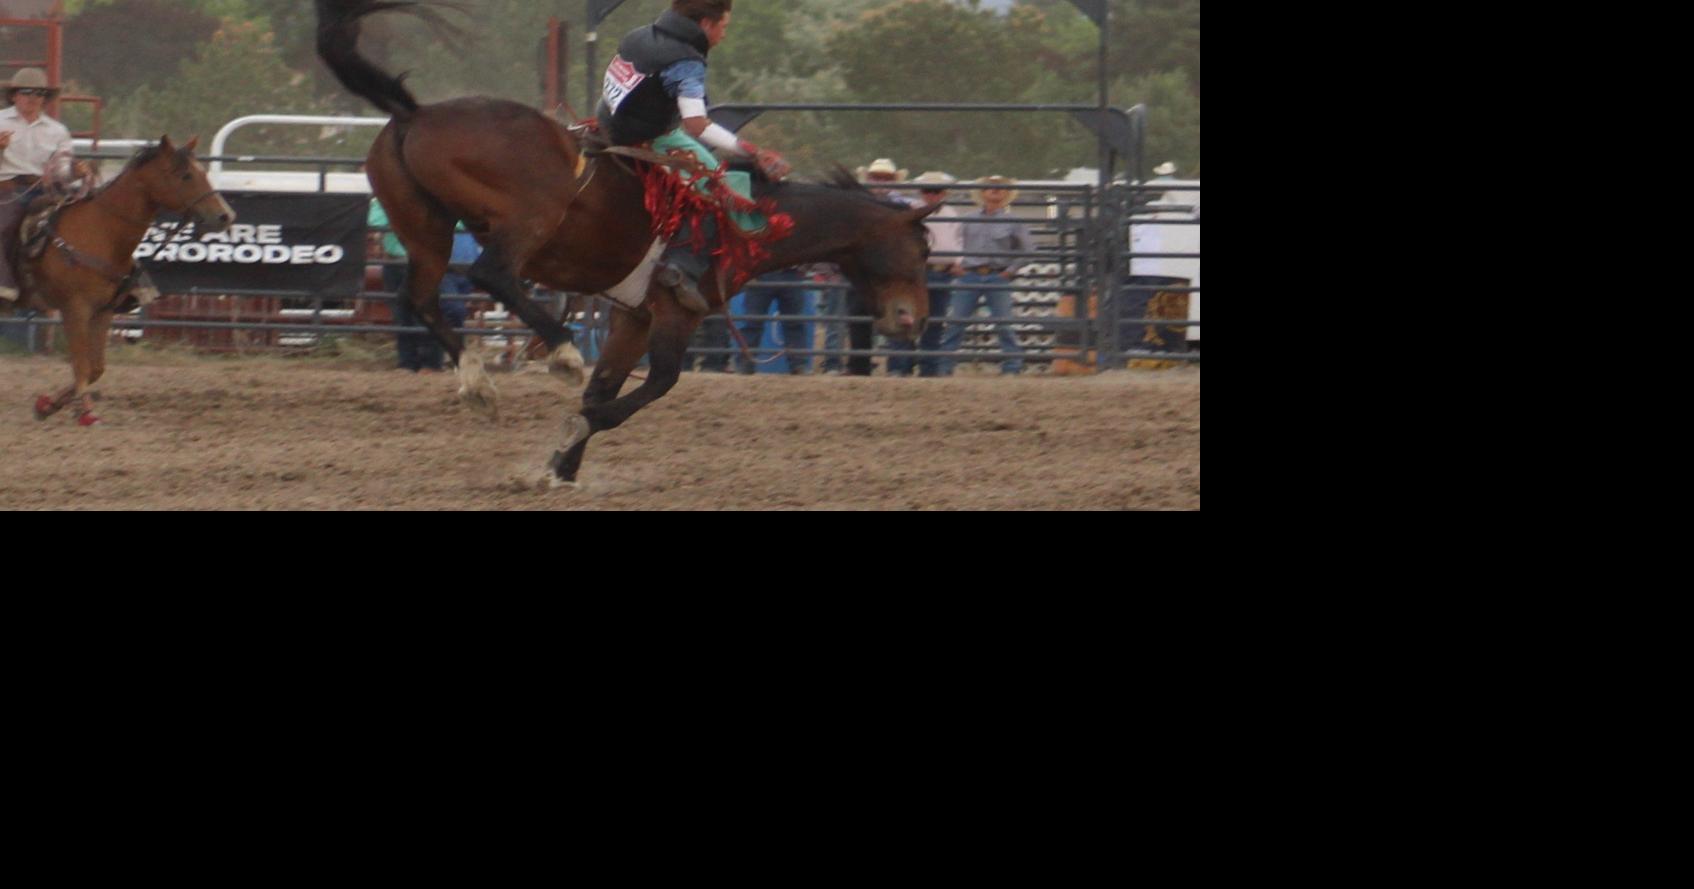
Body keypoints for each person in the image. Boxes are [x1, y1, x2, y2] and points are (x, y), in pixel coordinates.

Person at [596, 0, 791, 313]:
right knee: (722, 192)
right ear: (706, 24)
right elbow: (697, 125)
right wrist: (753, 151)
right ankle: (682, 268)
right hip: (649, 138)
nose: (724, 35)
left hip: (607, 124)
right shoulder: (686, 62)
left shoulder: (639, 35)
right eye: (724, 26)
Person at [0, 68, 91, 304]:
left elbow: (61, 168)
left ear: (45, 98)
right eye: (26, 91)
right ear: (14, 95)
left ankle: (114, 282)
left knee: (87, 220)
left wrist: (73, 171)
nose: (33, 97)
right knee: (3, 227)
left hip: (46, 190)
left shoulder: (57, 130)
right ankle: (4, 284)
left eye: (39, 93)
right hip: (7, 190)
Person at [940, 175, 1034, 376]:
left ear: (1006, 193)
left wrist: (1010, 270)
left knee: (1004, 324)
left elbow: (1028, 250)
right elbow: (953, 243)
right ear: (983, 192)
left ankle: (1012, 367)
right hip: (969, 275)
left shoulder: (1014, 221)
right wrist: (955, 265)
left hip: (996, 276)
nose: (995, 190)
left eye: (1000, 187)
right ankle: (944, 367)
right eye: (991, 187)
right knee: (956, 322)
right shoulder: (967, 219)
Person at [887, 171, 962, 377]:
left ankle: (928, 368)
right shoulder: (912, 210)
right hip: (914, 273)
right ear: (921, 192)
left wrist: (957, 261)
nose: (932, 195)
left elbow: (958, 240)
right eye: (927, 190)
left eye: (936, 191)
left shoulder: (952, 213)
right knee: (906, 318)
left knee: (934, 321)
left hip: (942, 272)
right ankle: (900, 366)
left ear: (944, 193)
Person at [734, 268, 812, 374]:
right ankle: (745, 364)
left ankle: (799, 365)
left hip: (791, 272)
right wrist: (748, 273)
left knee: (794, 323)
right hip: (761, 273)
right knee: (752, 322)